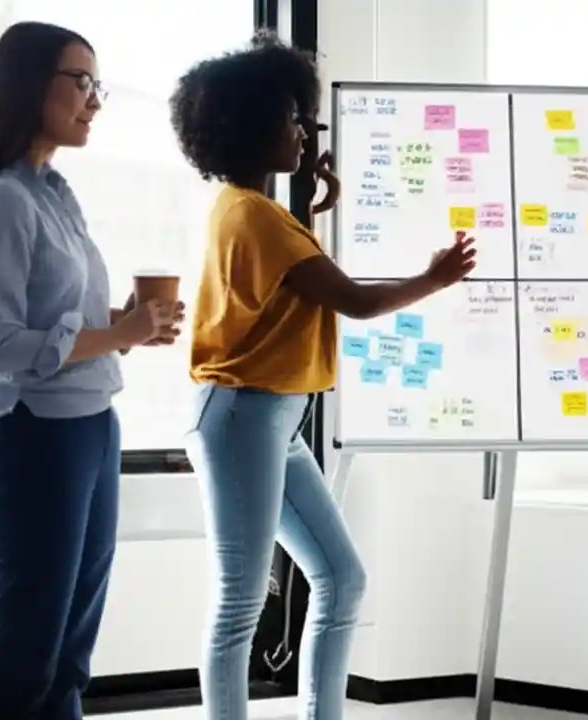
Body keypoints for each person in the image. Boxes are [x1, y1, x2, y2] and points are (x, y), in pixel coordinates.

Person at [170, 32, 476, 720]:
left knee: (341, 577)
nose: (304, 133)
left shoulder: (251, 210)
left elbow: (290, 281)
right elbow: (356, 301)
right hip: (243, 415)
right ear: (251, 127)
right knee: (239, 603)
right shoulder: (254, 215)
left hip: (267, 418)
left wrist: (313, 202)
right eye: (291, 119)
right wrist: (436, 277)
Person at [0, 21, 180, 719]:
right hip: (31, 438)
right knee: (28, 656)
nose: (94, 99)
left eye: (96, 83)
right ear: (28, 87)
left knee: (69, 657)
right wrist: (119, 331)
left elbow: (59, 321)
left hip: (88, 427)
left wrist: (126, 326)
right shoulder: (2, 202)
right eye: (80, 81)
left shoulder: (52, 192)